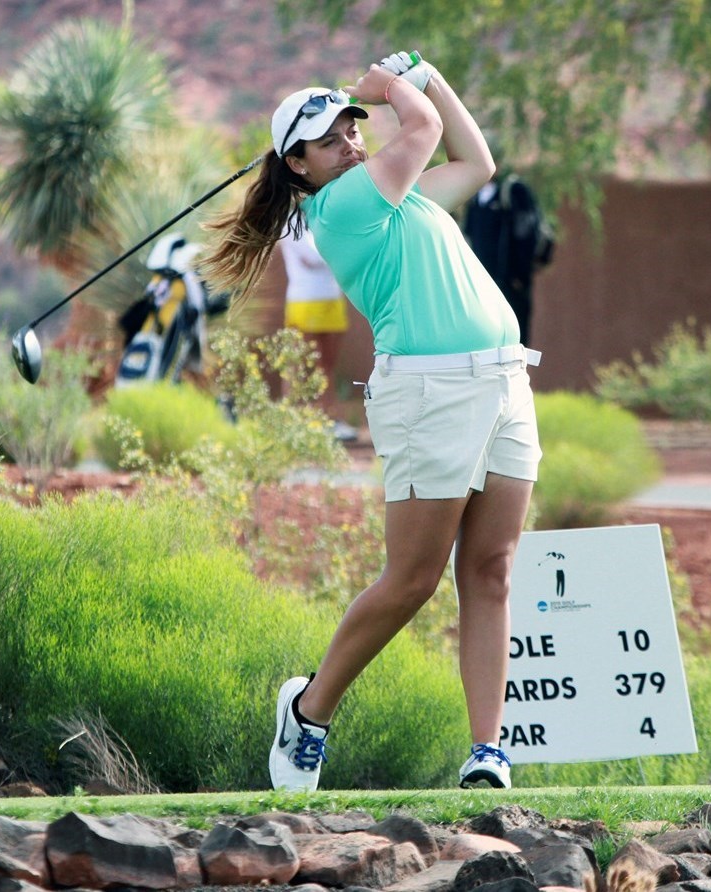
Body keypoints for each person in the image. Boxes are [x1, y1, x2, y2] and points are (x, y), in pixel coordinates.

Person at [199, 50, 541, 792]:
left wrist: (431, 73)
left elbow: (474, 160)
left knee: (491, 570)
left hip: (505, 381)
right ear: (298, 166)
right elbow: (417, 130)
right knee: (413, 579)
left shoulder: (398, 196)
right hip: (429, 395)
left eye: (352, 127)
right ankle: (311, 709)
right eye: (330, 139)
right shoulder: (345, 206)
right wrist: (389, 87)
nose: (351, 141)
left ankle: (488, 750)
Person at [276, 224, 357, 441]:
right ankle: (292, 422)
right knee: (297, 364)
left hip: (332, 299)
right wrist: (338, 253)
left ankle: (331, 420)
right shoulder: (290, 221)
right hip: (304, 301)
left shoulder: (325, 215)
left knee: (327, 366)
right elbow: (313, 256)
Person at [462, 169, 553, 346]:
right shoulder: (474, 199)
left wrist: (519, 276)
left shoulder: (514, 192)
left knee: (516, 344)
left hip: (512, 285)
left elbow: (526, 234)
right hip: (482, 287)